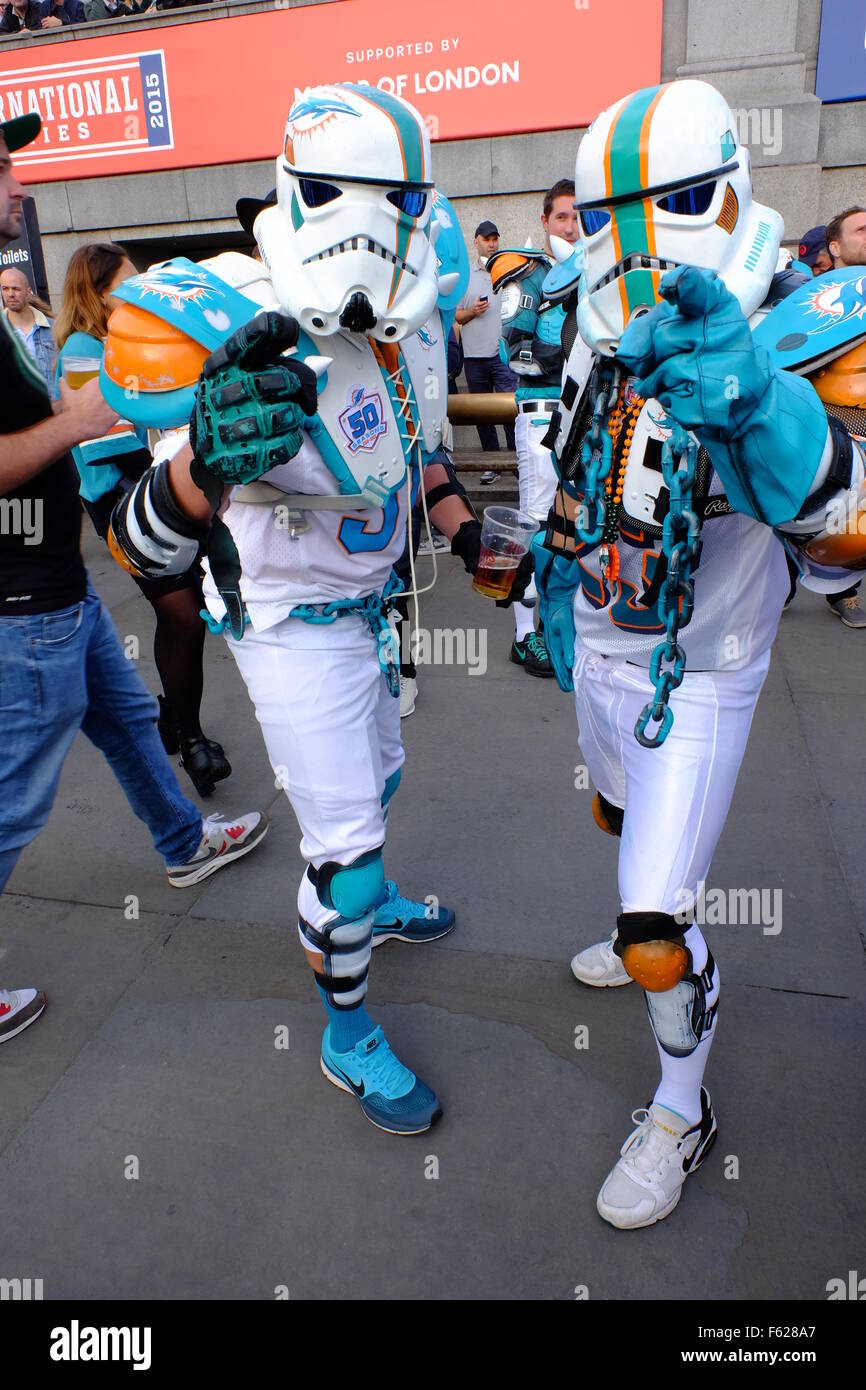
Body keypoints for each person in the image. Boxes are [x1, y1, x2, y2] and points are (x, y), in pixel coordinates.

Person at [104, 84, 531, 1135]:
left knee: (381, 774)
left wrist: (469, 532)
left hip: (373, 603)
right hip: (287, 623)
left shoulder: (410, 318)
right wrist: (204, 458)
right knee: (344, 858)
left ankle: (370, 905)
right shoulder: (226, 311)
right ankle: (344, 1034)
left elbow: (419, 454)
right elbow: (140, 540)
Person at [537, 79, 866, 1228]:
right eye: (606, 216)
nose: (632, 244)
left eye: (668, 203)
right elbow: (561, 472)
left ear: (728, 188)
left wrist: (762, 407)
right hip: (597, 632)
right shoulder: (570, 316)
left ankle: (681, 1106)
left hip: (704, 659)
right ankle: (638, 900)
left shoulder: (798, 315)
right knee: (615, 818)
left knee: (653, 933)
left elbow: (844, 545)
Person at [0, 114, 268, 1046]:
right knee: (13, 802)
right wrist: (84, 418)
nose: (19, 186)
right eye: (4, 169)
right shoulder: (46, 335)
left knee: (127, 724)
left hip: (55, 585)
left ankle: (185, 843)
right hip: (20, 602)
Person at [54, 242, 233, 795]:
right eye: (126, 284)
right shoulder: (83, 350)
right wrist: (174, 463)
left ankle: (175, 719)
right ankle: (190, 735)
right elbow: (106, 441)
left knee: (183, 614)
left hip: (153, 489)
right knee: (180, 612)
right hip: (120, 496)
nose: (138, 293)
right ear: (95, 291)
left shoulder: (125, 340)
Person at [488, 179, 583, 677]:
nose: (571, 225)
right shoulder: (526, 276)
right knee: (535, 521)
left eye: (578, 215)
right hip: (544, 410)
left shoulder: (599, 268)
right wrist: (570, 355)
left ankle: (563, 619)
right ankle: (526, 635)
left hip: (588, 413)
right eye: (562, 216)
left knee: (577, 522)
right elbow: (514, 352)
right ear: (545, 221)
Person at [820, 206, 866, 628]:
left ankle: (843, 589)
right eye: (861, 229)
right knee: (829, 511)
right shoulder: (812, 298)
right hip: (831, 420)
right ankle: (837, 590)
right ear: (835, 246)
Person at [455, 220, 517, 463]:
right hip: (473, 357)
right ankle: (492, 464)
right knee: (482, 416)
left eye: (494, 239)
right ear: (476, 242)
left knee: (511, 410)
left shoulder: (507, 270)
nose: (491, 244)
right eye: (486, 239)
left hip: (502, 356)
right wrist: (473, 311)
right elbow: (457, 317)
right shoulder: (465, 276)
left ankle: (516, 462)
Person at [1, 265, 56, 397]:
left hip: (52, 406)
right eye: (5, 289)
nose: (10, 294)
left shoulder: (53, 328)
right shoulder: (2, 332)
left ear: (28, 292)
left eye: (16, 289)